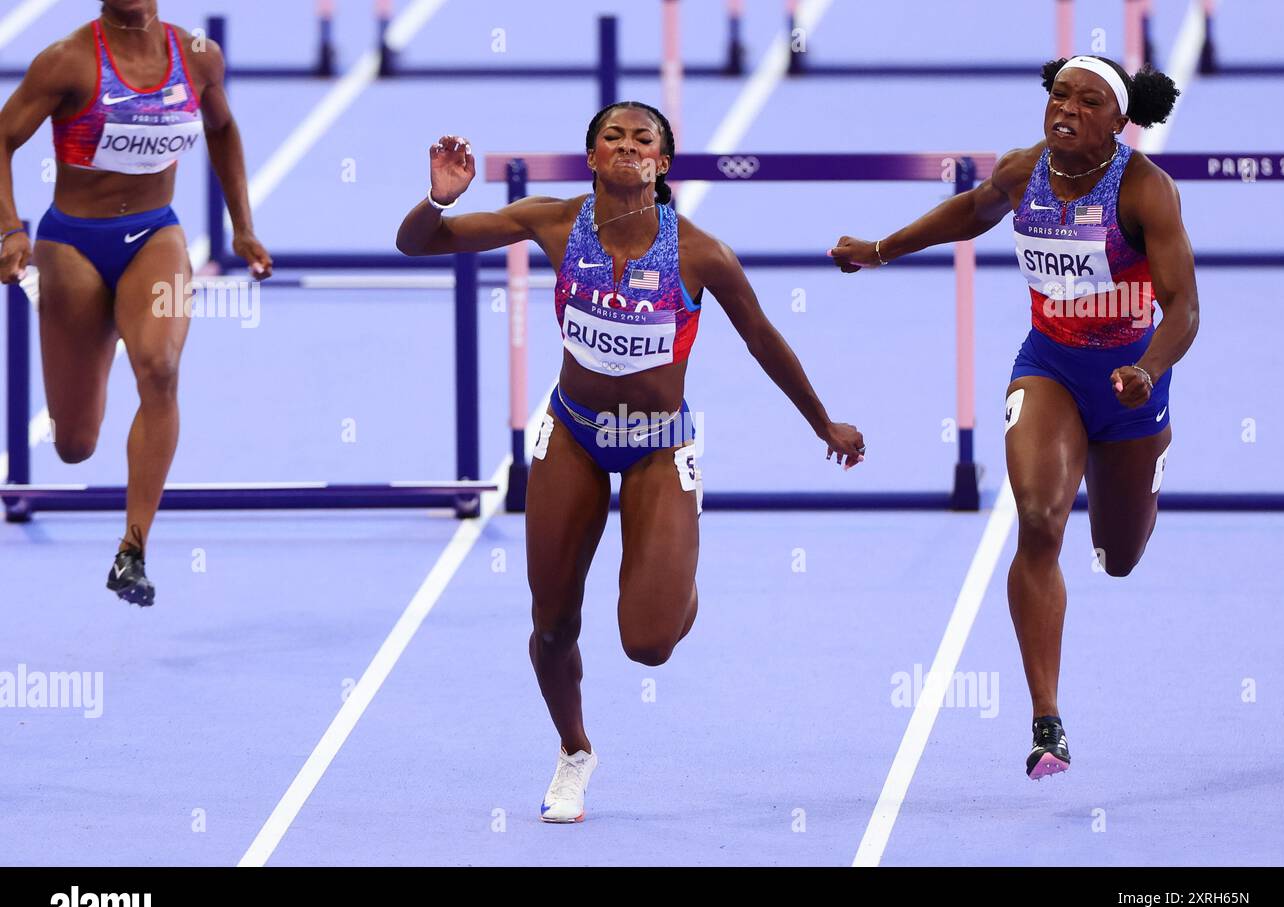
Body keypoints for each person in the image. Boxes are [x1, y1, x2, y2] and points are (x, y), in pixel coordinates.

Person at [398, 102, 866, 821]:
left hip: (657, 444)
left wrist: (822, 422)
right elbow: (419, 245)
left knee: (648, 644)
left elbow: (764, 341)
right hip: (574, 434)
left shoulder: (701, 254)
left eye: (641, 138)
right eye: (611, 137)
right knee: (552, 623)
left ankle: (677, 587)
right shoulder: (553, 222)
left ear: (662, 163)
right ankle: (574, 752)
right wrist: (439, 198)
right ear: (591, 159)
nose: (625, 145)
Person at [831, 56, 1195, 779]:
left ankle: (1139, 474)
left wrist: (1147, 370)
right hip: (1050, 367)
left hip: (1129, 384)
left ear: (1117, 122)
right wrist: (878, 251)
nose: (1067, 109)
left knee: (1118, 559)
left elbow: (1184, 306)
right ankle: (1046, 720)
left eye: (1089, 102)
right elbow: (970, 213)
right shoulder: (1024, 169)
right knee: (1036, 518)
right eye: (1059, 94)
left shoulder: (1147, 192)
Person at [0, 0, 272, 606]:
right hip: (73, 246)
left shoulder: (198, 57)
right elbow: (1, 136)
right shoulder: (67, 62)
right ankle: (87, 381)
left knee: (161, 368)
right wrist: (10, 230)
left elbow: (222, 128)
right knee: (74, 443)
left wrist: (243, 226)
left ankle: (132, 550)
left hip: (156, 235)